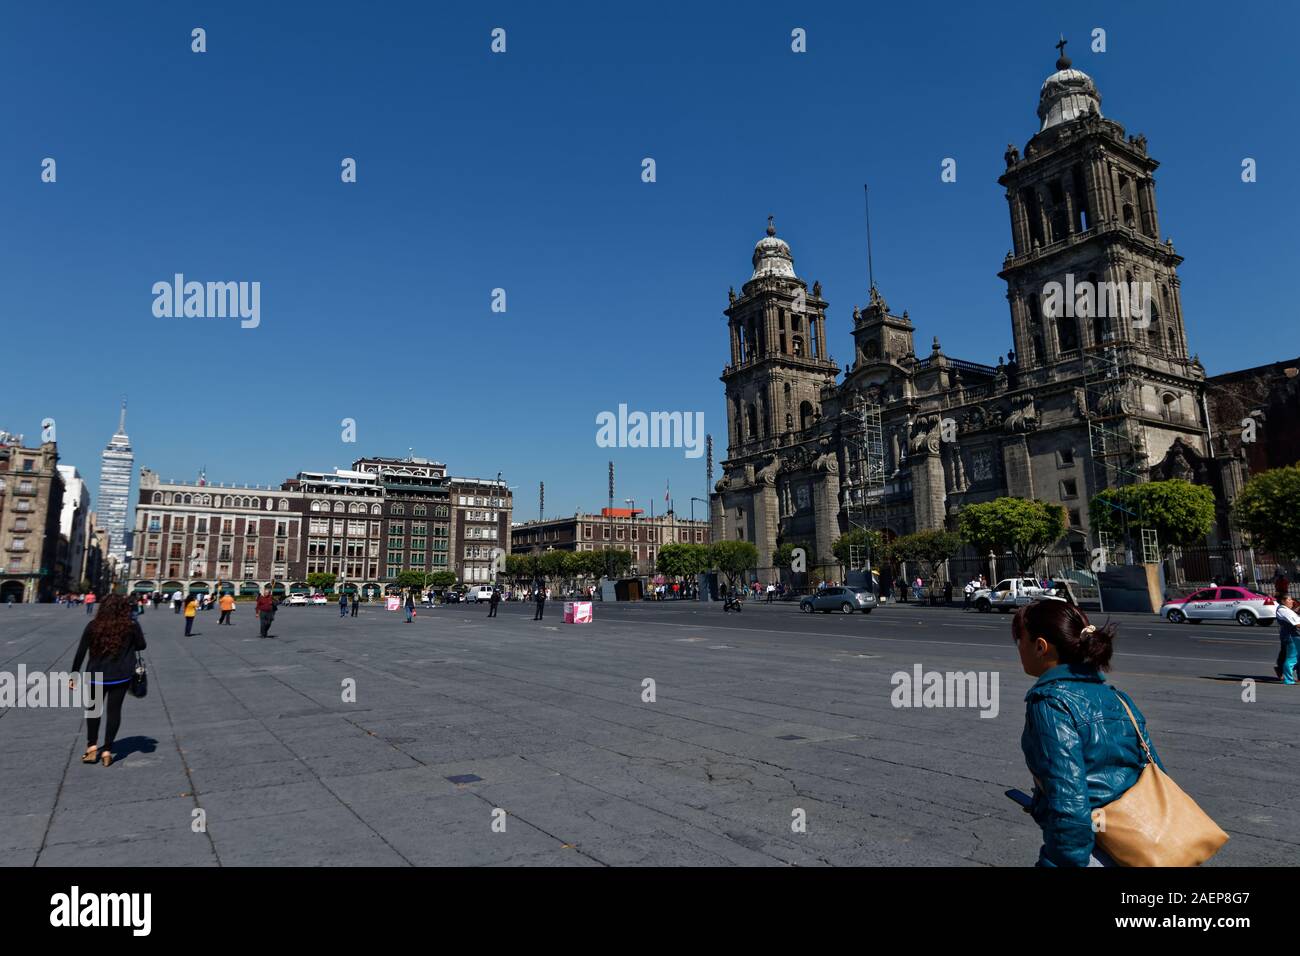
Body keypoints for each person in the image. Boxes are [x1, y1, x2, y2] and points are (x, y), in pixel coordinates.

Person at [1013, 599, 1163, 867]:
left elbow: (1068, 798)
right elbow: (1155, 772)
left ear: (1040, 646)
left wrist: (1062, 860)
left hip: (1091, 850)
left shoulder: (1049, 702)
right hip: (1140, 843)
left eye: (1019, 640)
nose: (1018, 649)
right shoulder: (1119, 698)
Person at [69, 594, 147, 767]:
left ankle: (91, 748)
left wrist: (74, 674)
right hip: (120, 675)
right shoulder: (130, 626)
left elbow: (81, 652)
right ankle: (107, 751)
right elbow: (142, 645)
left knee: (93, 709)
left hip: (96, 674)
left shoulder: (93, 626)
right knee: (114, 711)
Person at [1275, 596, 1300, 683]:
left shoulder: (1288, 610)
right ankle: (1288, 679)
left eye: (1291, 599)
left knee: (1297, 657)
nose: (1292, 601)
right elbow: (1297, 624)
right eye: (1289, 600)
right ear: (1282, 601)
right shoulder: (1283, 610)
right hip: (1290, 636)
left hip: (1294, 635)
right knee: (1292, 657)